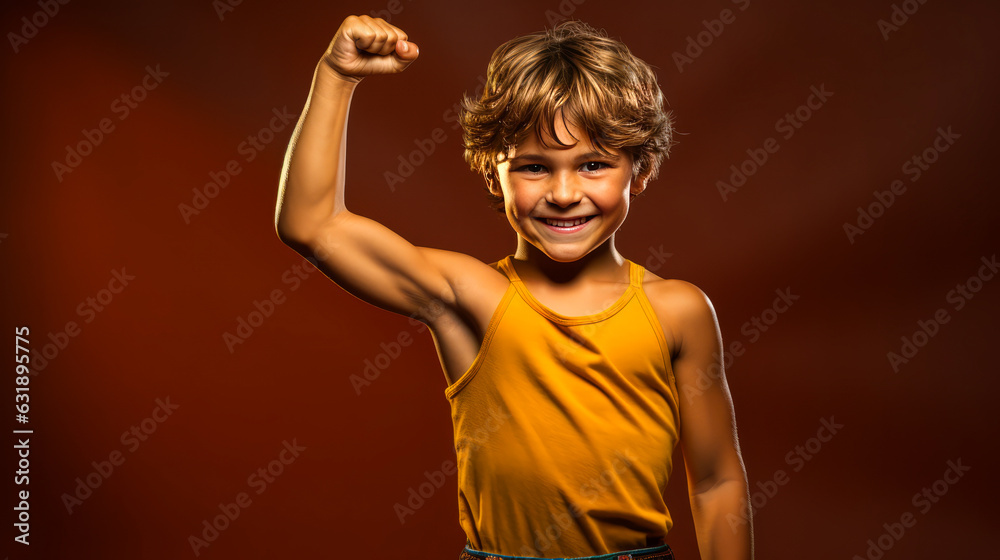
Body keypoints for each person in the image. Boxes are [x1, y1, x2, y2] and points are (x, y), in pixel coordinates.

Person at [274, 14, 754, 560]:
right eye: (533, 167)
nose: (564, 192)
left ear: (639, 171)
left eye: (593, 164)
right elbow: (312, 224)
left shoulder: (678, 311)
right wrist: (337, 75)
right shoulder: (470, 297)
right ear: (490, 172)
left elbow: (717, 481)